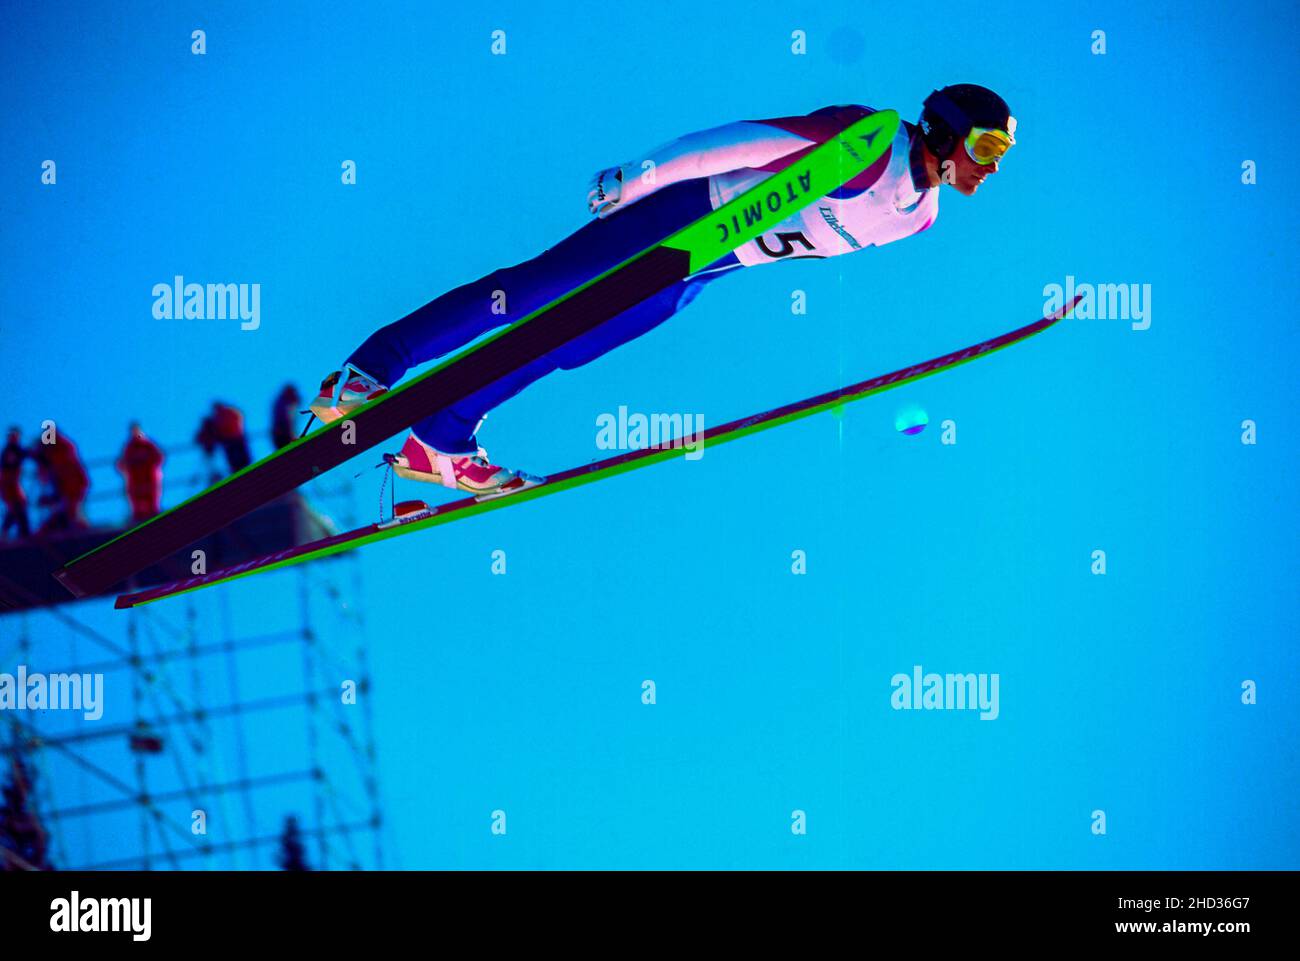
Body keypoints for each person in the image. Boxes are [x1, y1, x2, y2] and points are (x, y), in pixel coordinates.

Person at [309, 84, 1016, 497]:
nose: (988, 170)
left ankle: (440, 437)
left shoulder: (920, 216)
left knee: (561, 344)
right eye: (984, 148)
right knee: (531, 294)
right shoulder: (873, 142)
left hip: (708, 266)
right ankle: (369, 370)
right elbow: (748, 142)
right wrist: (639, 176)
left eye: (1000, 157)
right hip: (683, 214)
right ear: (947, 130)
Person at [32, 430, 89, 533]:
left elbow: (59, 463)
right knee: (65, 511)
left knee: (71, 511)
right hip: (66, 486)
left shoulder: (62, 448)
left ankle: (75, 528)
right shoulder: (54, 452)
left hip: (72, 485)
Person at [116, 423, 164, 523]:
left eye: (137, 431)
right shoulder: (129, 447)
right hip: (135, 480)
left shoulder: (148, 445)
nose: (136, 434)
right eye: (133, 431)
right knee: (137, 502)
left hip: (149, 478)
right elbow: (122, 463)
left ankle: (154, 514)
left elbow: (159, 457)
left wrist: (147, 462)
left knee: (152, 502)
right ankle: (138, 516)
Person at [196, 401, 252, 475]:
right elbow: (239, 419)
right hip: (237, 438)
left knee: (235, 462)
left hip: (229, 440)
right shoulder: (230, 412)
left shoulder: (218, 417)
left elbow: (217, 430)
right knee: (243, 460)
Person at [1, 427, 30, 540]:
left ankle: (23, 533)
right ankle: (22, 533)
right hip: (8, 483)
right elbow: (20, 455)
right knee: (17, 505)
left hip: (10, 483)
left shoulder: (12, 449)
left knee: (19, 505)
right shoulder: (11, 450)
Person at [271, 384, 303, 450]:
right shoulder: (284, 404)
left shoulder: (282, 403)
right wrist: (292, 436)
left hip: (280, 435)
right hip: (282, 436)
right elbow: (286, 421)